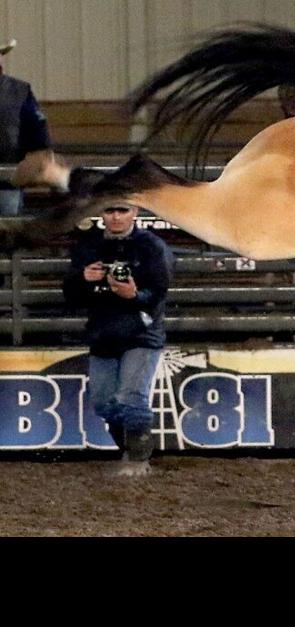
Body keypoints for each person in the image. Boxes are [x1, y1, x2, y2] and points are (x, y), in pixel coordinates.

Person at [63, 203, 174, 477]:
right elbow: (70, 295)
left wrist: (135, 296)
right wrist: (83, 278)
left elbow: (159, 292)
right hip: (103, 332)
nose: (115, 216)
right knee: (103, 402)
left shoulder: (151, 246)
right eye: (110, 211)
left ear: (134, 212)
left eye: (122, 210)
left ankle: (137, 461)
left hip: (141, 334)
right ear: (102, 214)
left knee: (131, 395)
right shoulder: (88, 247)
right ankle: (132, 448)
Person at [0, 37, 66, 215]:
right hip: (8, 175)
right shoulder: (18, 91)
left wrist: (42, 153)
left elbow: (36, 126)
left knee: (6, 227)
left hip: (7, 177)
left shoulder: (19, 91)